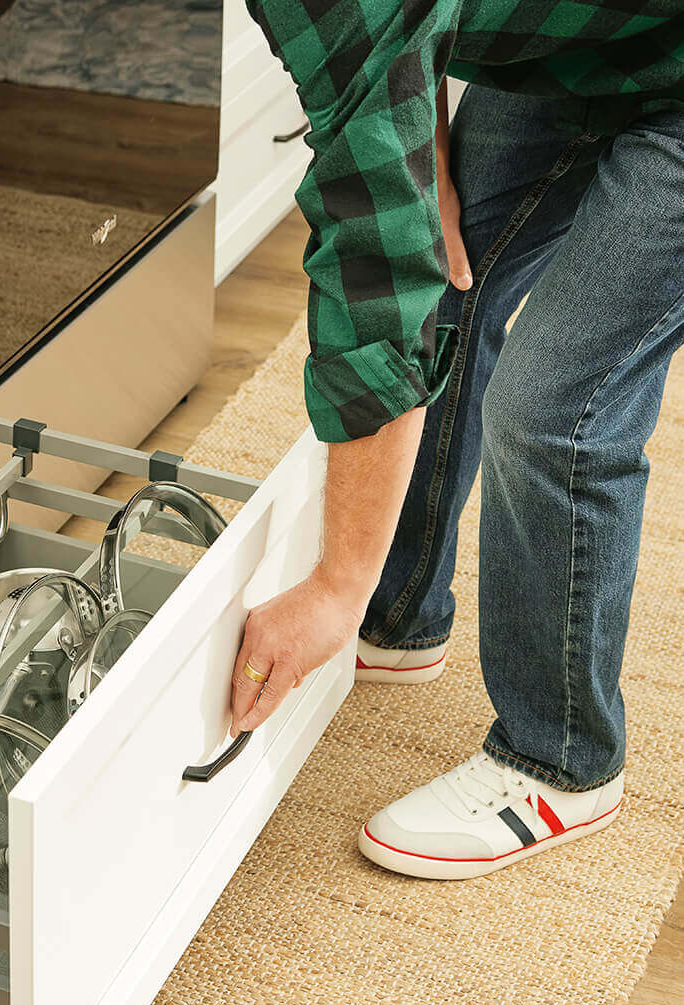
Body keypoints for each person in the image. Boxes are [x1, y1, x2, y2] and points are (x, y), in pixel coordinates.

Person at [229, 1, 684, 878]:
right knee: (448, 268)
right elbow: (399, 40)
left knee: (554, 409)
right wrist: (423, 159)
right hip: (598, 35)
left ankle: (561, 759)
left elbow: (377, 272)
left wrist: (333, 583)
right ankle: (399, 617)